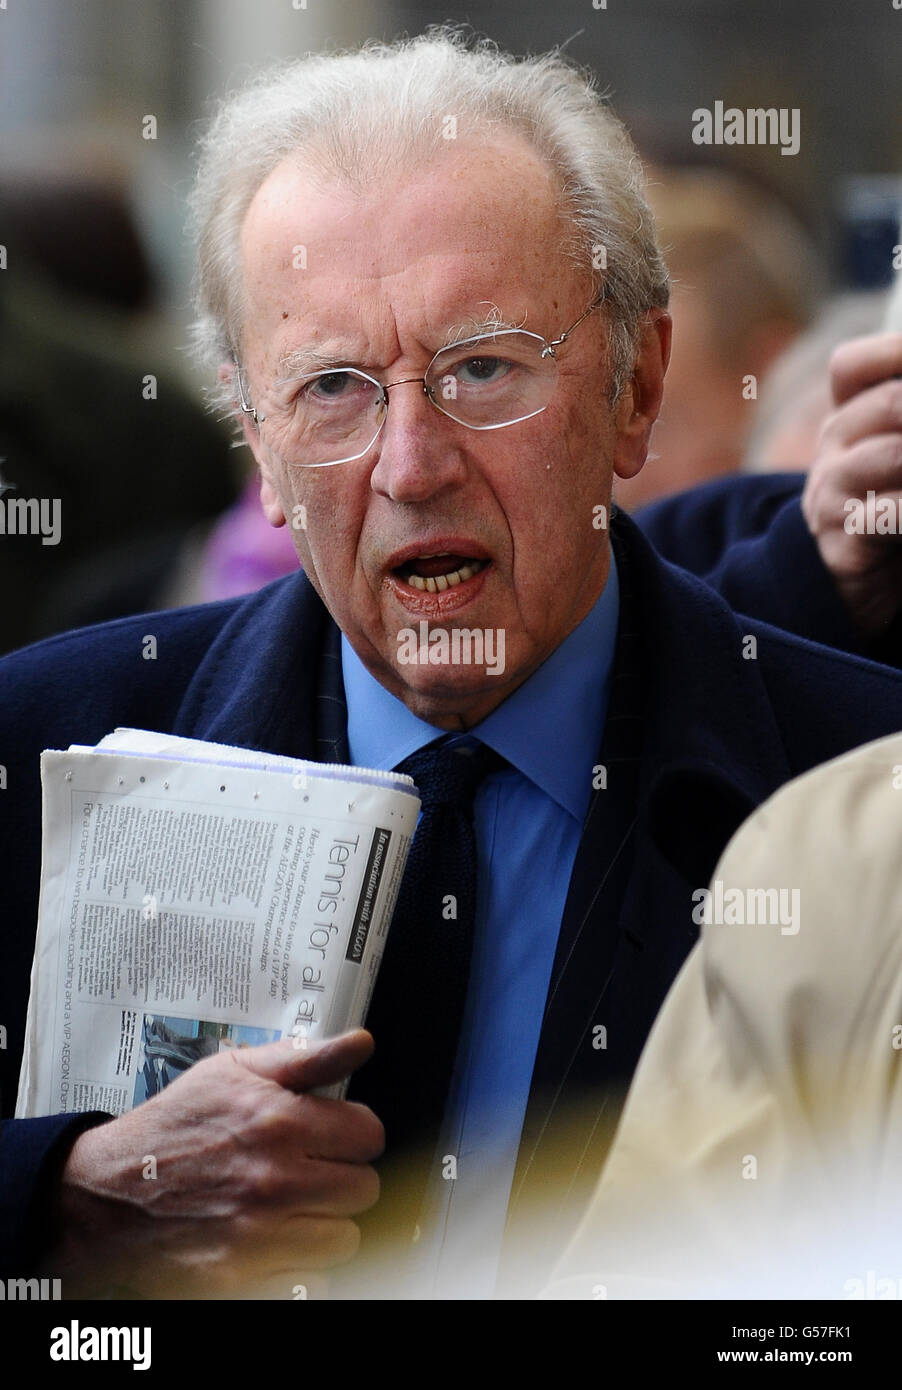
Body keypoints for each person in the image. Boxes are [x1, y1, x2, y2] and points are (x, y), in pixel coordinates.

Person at [2, 28, 902, 1302]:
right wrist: (64, 1190)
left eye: (483, 369)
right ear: (252, 439)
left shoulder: (856, 799)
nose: (410, 463)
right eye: (331, 388)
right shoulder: (49, 739)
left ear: (636, 386)